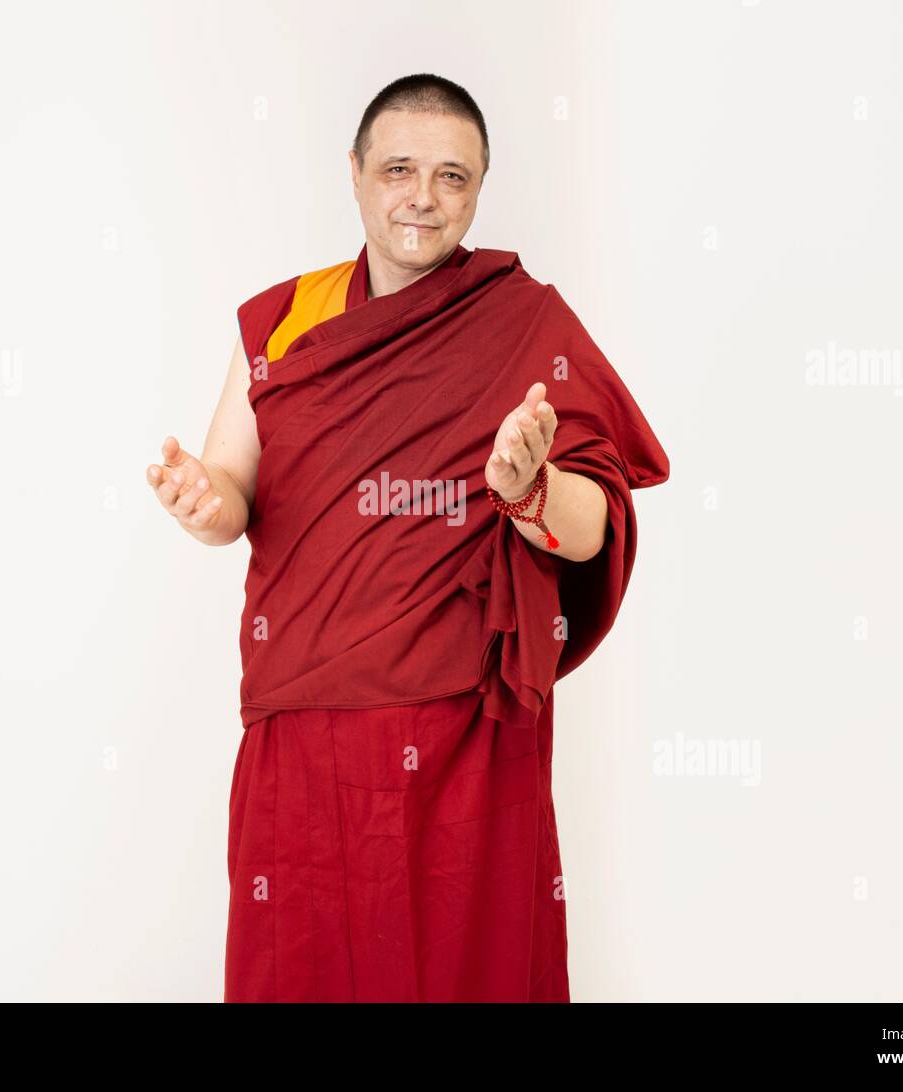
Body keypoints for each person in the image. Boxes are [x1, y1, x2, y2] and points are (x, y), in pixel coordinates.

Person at [145, 73, 669, 1002]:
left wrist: (530, 488)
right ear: (353, 175)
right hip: (303, 738)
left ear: (479, 189)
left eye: (452, 177)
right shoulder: (284, 320)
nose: (422, 197)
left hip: (467, 739)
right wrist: (204, 499)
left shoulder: (524, 321)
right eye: (397, 169)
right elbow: (235, 489)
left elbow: (597, 523)